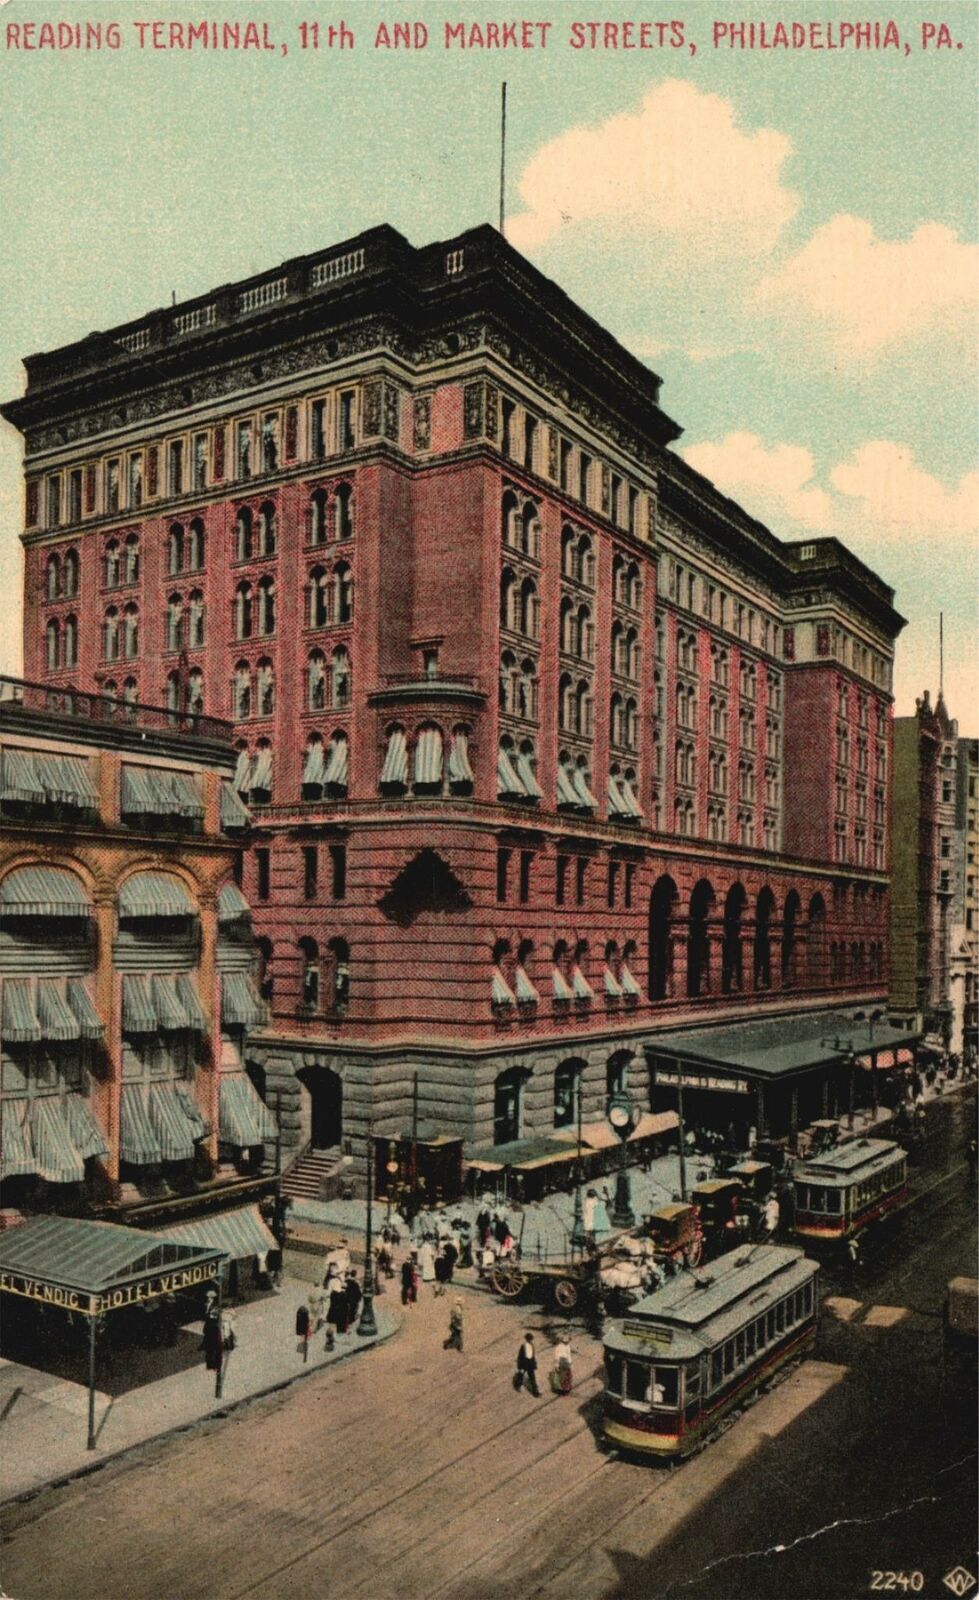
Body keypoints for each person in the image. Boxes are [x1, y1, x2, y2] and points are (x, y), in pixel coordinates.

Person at [201, 1293, 223, 1372]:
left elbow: (214, 1317)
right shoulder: (207, 1305)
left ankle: (216, 1365)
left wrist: (209, 1316)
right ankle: (210, 1365)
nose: (208, 1299)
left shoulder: (215, 1307)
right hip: (208, 1329)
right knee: (209, 1348)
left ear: (213, 1298)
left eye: (209, 1297)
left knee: (214, 1347)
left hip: (213, 1329)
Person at [514, 1331, 540, 1397]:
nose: (530, 1340)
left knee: (532, 1378)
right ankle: (517, 1385)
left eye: (531, 1339)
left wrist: (534, 1364)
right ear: (527, 1339)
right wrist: (519, 1365)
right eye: (529, 1339)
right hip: (524, 1364)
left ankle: (536, 1392)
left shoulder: (532, 1345)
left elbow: (532, 1356)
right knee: (521, 1375)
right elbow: (520, 1356)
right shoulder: (523, 1346)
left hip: (530, 1364)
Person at [326, 1266, 348, 1338]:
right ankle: (338, 1332)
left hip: (334, 1302)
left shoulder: (332, 1281)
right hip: (338, 1302)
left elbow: (329, 1292)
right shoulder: (338, 1283)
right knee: (338, 1317)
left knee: (334, 1319)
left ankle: (334, 1333)